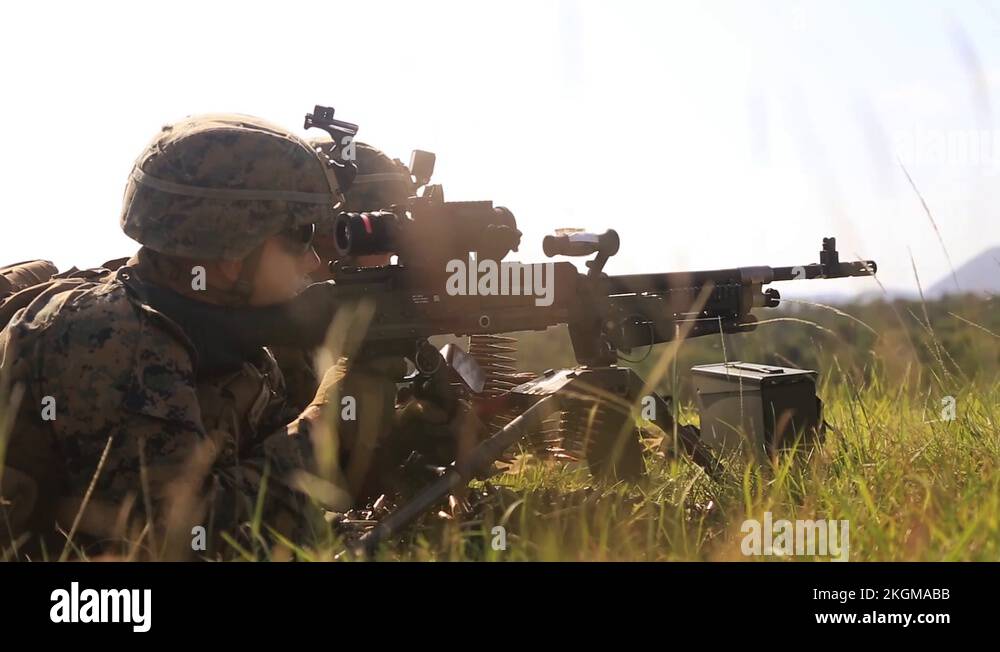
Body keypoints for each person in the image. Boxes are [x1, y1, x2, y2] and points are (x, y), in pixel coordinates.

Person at [0, 113, 398, 560]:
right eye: (300, 236)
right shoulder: (110, 334)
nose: (310, 261)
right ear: (233, 248)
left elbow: (293, 478)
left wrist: (406, 415)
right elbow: (190, 539)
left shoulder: (230, 341)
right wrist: (331, 416)